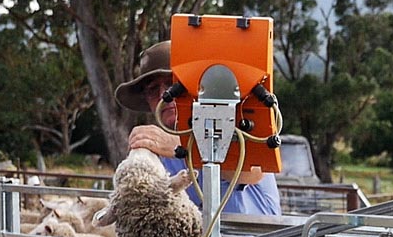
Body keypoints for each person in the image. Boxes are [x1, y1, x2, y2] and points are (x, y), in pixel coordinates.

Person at [114, 41, 282, 216]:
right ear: (147, 101)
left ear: (195, 88)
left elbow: (252, 173)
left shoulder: (235, 123)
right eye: (152, 89)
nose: (163, 95)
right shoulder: (156, 152)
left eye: (172, 85)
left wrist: (182, 146)